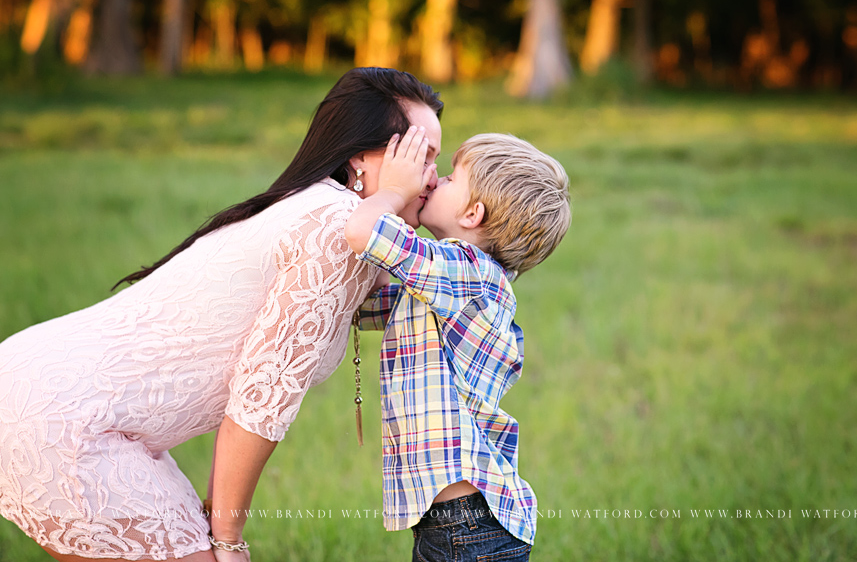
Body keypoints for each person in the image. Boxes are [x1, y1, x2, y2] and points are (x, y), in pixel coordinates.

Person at [0, 67, 443, 562]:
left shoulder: (324, 212)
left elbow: (424, 290)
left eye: (437, 161)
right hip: (67, 418)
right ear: (361, 155)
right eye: (419, 155)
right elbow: (259, 400)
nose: (431, 175)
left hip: (57, 396)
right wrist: (228, 539)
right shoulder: (331, 233)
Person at [345, 130, 571, 561]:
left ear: (472, 213)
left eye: (450, 178)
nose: (435, 180)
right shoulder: (450, 285)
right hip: (462, 524)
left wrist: (392, 191)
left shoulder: (467, 273)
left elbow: (363, 231)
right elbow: (364, 306)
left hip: (467, 525)